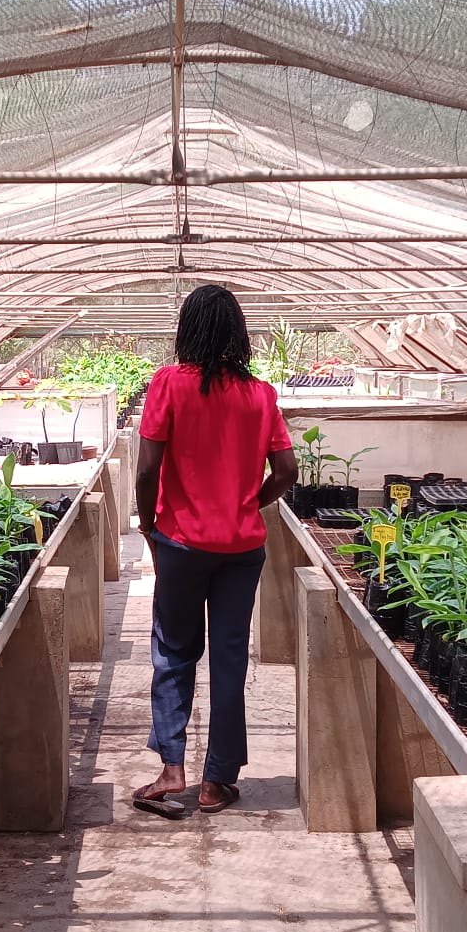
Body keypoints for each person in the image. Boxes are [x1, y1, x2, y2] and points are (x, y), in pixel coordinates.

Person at [131, 285, 297, 817]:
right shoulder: (261, 395)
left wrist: (151, 525)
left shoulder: (169, 385)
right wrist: (251, 500)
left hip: (180, 543)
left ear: (188, 329)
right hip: (242, 547)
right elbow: (288, 473)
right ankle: (216, 781)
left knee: (175, 651)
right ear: (238, 333)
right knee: (229, 658)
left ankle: (172, 768)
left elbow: (147, 467)